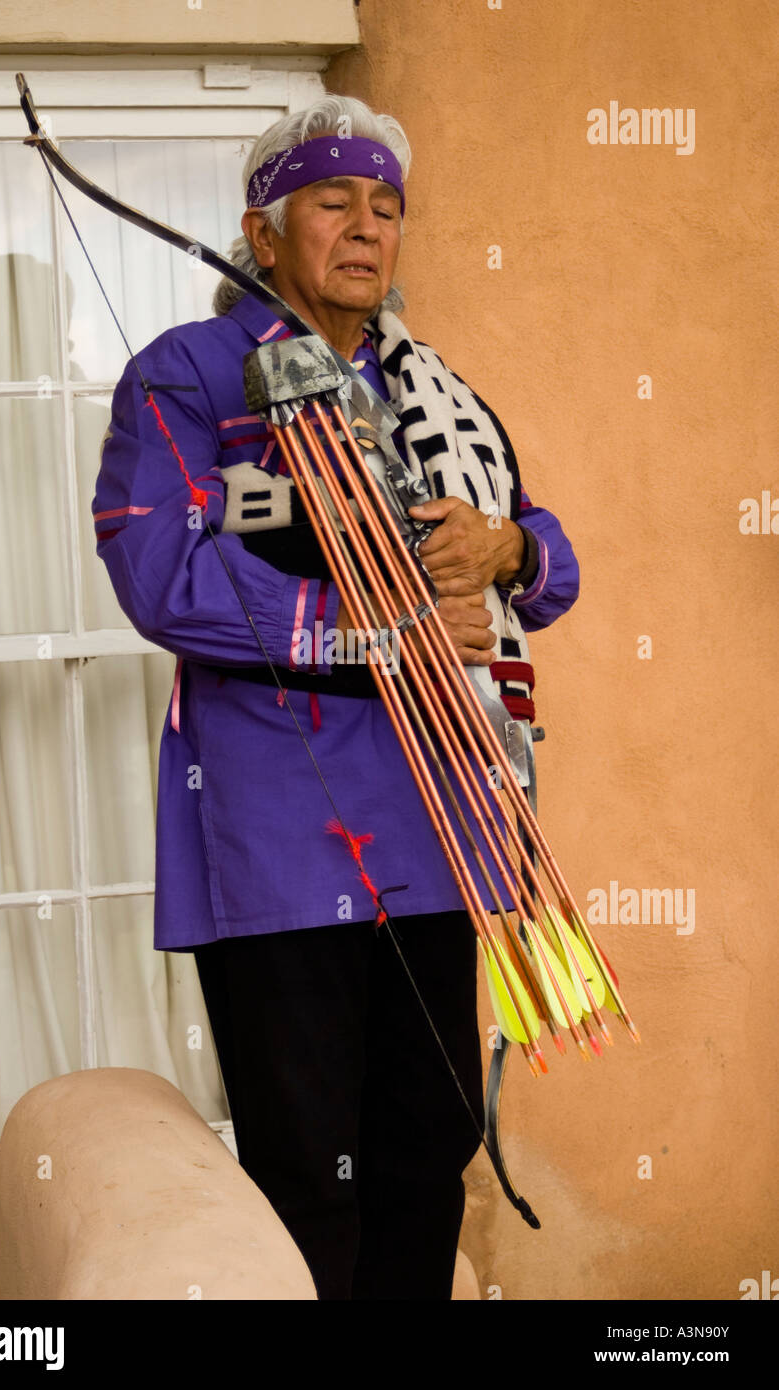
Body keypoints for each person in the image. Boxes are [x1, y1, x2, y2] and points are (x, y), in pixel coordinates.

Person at [92, 94, 579, 1300]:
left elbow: (548, 563)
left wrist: (502, 550)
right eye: (330, 202)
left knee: (427, 1145)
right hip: (276, 843)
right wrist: (382, 633)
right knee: (313, 1170)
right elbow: (163, 574)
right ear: (263, 235)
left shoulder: (431, 391)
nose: (366, 228)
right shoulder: (189, 377)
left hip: (437, 827)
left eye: (385, 207)